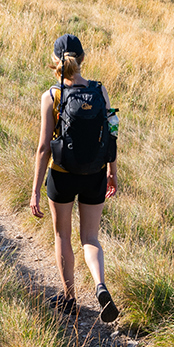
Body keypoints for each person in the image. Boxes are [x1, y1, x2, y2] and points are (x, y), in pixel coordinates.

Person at [29, 33, 120, 322]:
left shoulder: (52, 96)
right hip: (95, 173)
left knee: (62, 236)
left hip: (62, 175)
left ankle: (69, 297)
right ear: (82, 59)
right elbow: (111, 134)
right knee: (90, 238)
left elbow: (44, 147)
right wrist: (112, 172)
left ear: (55, 61)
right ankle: (100, 285)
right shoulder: (100, 91)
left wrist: (34, 191)